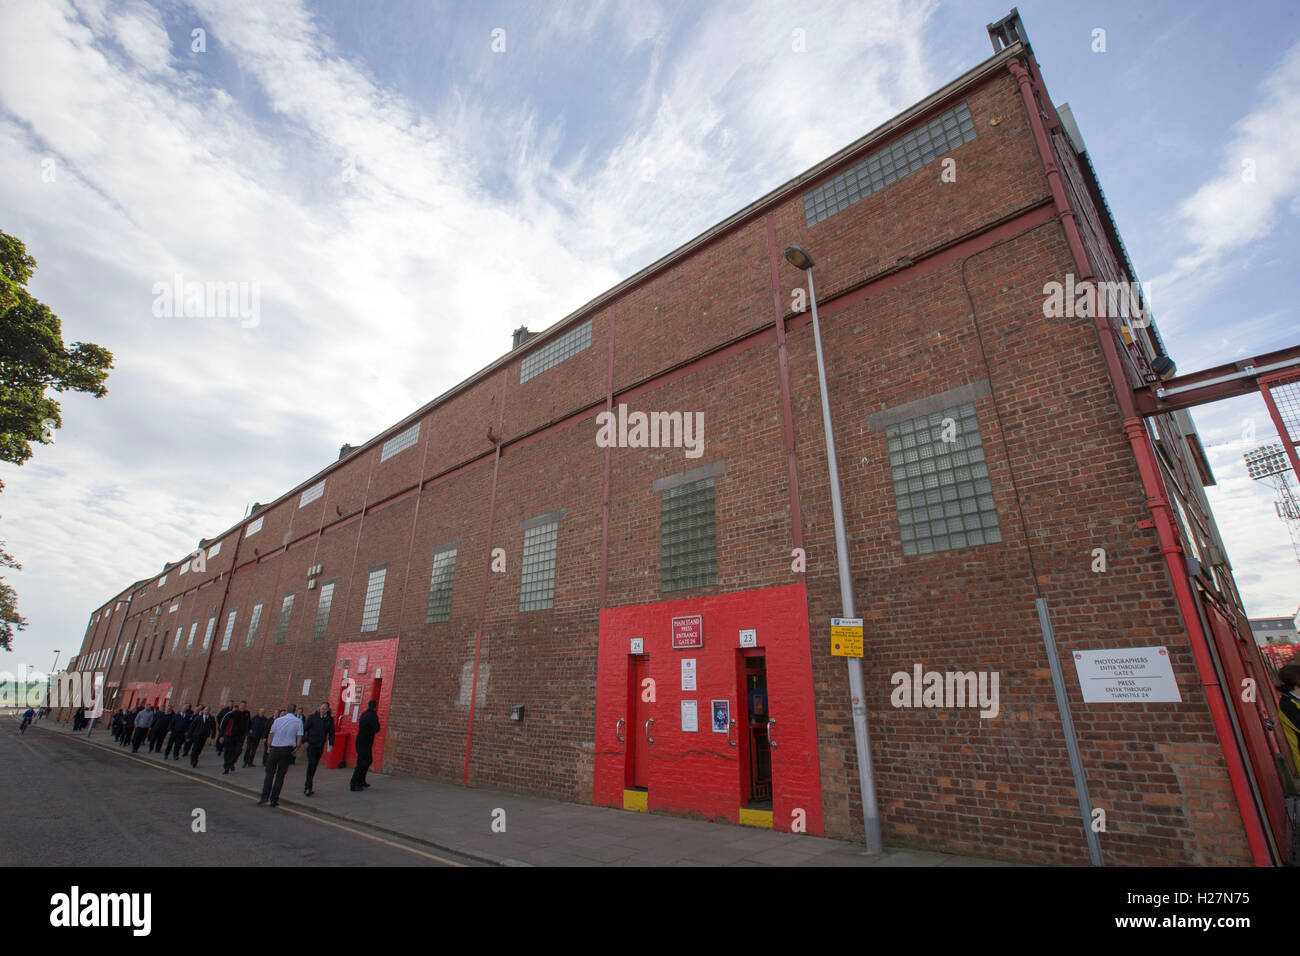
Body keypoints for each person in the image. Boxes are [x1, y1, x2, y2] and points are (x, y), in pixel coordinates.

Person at [259, 704, 304, 807]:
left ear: (286, 710)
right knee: (280, 776)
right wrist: (296, 749)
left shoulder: (278, 720)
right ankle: (274, 800)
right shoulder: (298, 721)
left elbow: (271, 733)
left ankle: (264, 797)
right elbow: (299, 738)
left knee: (269, 774)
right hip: (287, 750)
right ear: (295, 710)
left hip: (275, 748)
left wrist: (268, 746)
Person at [302, 702, 335, 796]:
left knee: (314, 765)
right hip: (311, 744)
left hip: (320, 745)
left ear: (328, 710)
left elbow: (332, 732)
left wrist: (331, 744)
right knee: (311, 764)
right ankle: (307, 787)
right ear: (319, 708)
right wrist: (305, 741)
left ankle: (309, 786)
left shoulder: (329, 720)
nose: (323, 710)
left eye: (325, 708)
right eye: (322, 708)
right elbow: (304, 729)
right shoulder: (312, 717)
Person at [350, 700, 381, 792]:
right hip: (365, 742)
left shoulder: (364, 714)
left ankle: (361, 781)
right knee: (362, 763)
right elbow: (377, 728)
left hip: (360, 741)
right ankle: (354, 783)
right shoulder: (373, 716)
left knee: (367, 761)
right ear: (375, 707)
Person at [219, 702, 251, 774]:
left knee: (238, 751)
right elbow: (223, 724)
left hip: (240, 737)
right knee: (228, 752)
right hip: (230, 736)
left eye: (244, 706)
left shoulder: (247, 714)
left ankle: (232, 762)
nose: (243, 707)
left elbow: (249, 724)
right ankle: (226, 768)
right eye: (242, 706)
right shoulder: (231, 714)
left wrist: (248, 731)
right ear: (239, 706)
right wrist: (221, 736)